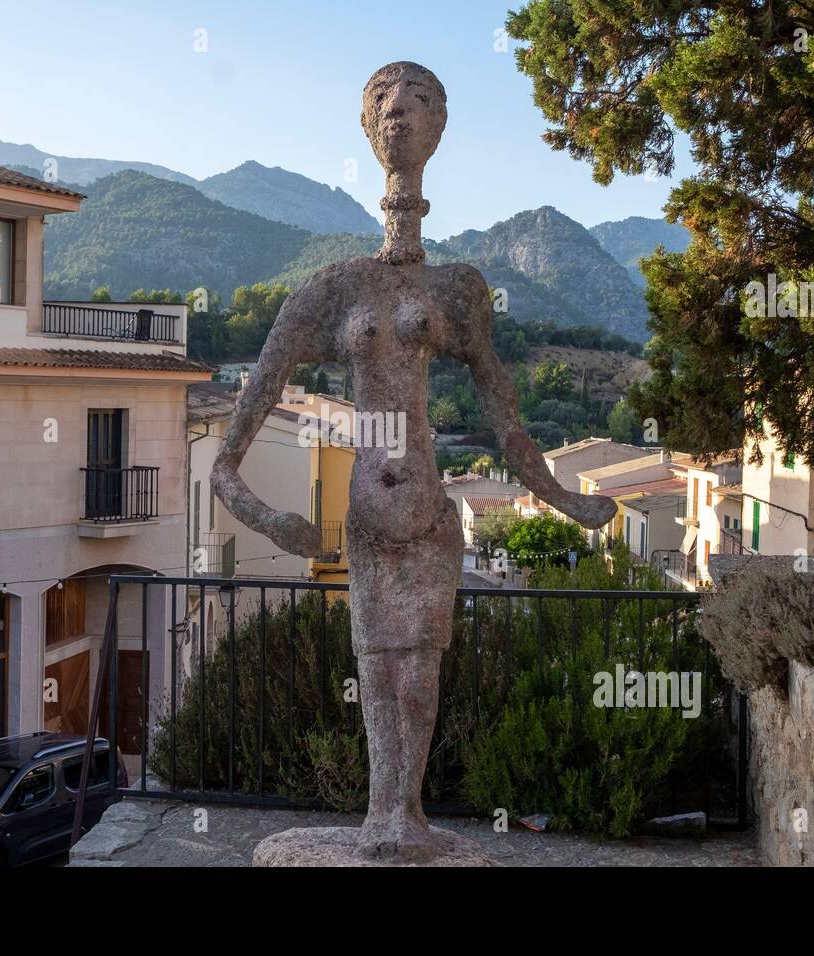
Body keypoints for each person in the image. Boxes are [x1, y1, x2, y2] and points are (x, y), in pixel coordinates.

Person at [211, 61, 616, 862]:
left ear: (439, 129)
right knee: (377, 669)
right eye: (385, 100)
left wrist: (565, 499)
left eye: (420, 98)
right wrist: (270, 517)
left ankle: (407, 814)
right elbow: (229, 457)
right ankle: (378, 813)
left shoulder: (460, 288)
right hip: (368, 515)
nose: (400, 110)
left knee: (420, 672)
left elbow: (509, 428)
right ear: (370, 128)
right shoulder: (332, 288)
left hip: (430, 513)